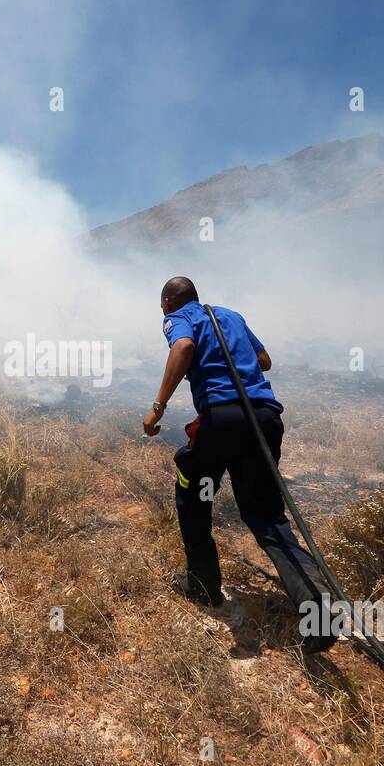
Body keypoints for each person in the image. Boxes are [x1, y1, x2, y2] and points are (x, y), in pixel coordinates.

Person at [143, 276, 334, 652]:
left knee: (194, 491)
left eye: (162, 304)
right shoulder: (231, 315)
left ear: (168, 301)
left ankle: (203, 584)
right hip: (264, 417)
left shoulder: (178, 317)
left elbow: (182, 346)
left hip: (222, 420)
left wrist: (158, 407)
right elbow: (264, 360)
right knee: (266, 515)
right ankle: (319, 607)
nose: (163, 310)